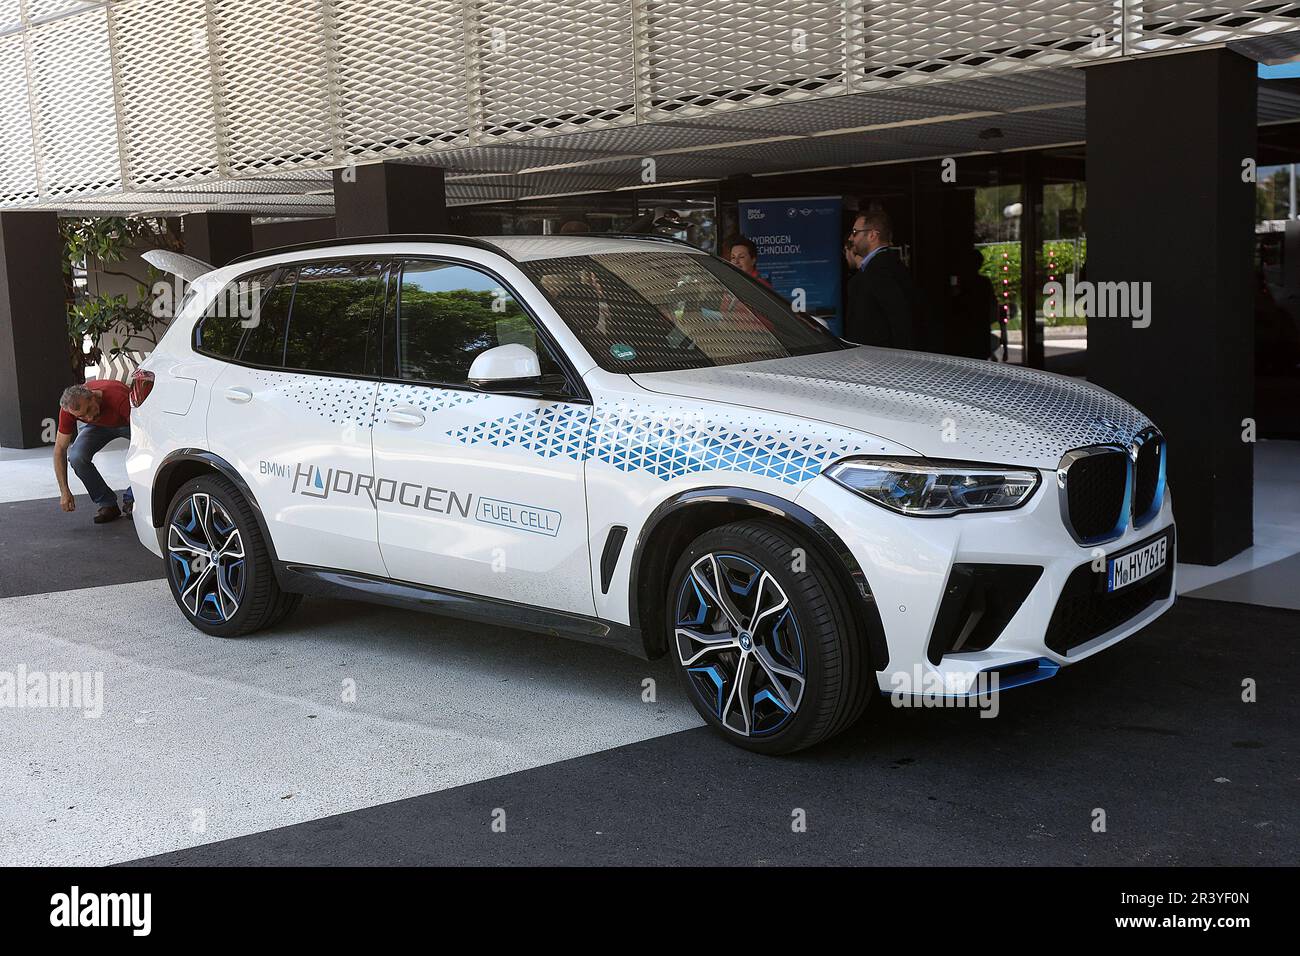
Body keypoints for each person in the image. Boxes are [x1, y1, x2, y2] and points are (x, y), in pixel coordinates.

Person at [54, 380, 135, 524]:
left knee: (145, 452)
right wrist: (64, 491)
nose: (88, 418)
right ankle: (107, 504)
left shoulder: (118, 397)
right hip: (98, 427)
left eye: (89, 410)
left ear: (93, 396)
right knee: (76, 457)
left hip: (127, 422)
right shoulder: (69, 409)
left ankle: (132, 498)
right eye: (81, 417)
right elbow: (60, 449)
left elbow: (145, 437)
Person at [844, 211, 916, 348]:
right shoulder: (888, 265)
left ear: (872, 235)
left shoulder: (879, 270)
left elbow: (899, 319)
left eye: (855, 232)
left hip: (876, 360)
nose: (851, 239)